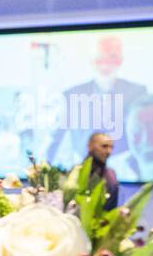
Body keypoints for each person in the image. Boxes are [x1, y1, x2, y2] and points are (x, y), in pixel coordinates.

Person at [51, 35, 146, 166]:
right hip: (82, 169)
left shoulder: (137, 92)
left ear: (121, 60)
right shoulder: (72, 94)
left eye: (112, 57)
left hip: (126, 169)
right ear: (91, 60)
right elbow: (54, 139)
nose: (106, 64)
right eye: (100, 58)